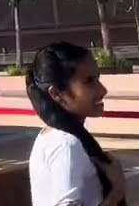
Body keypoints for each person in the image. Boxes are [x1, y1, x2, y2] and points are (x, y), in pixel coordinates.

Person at [25, 42, 127, 206]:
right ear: (57, 94)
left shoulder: (59, 137)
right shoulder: (66, 144)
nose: (103, 90)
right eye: (89, 81)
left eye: (98, 79)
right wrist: (116, 192)